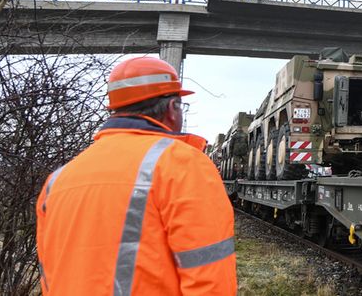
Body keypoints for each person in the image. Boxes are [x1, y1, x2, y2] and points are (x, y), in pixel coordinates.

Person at [36, 57, 237, 295]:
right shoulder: (183, 165)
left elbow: (48, 274)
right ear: (173, 108)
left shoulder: (58, 180)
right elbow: (210, 281)